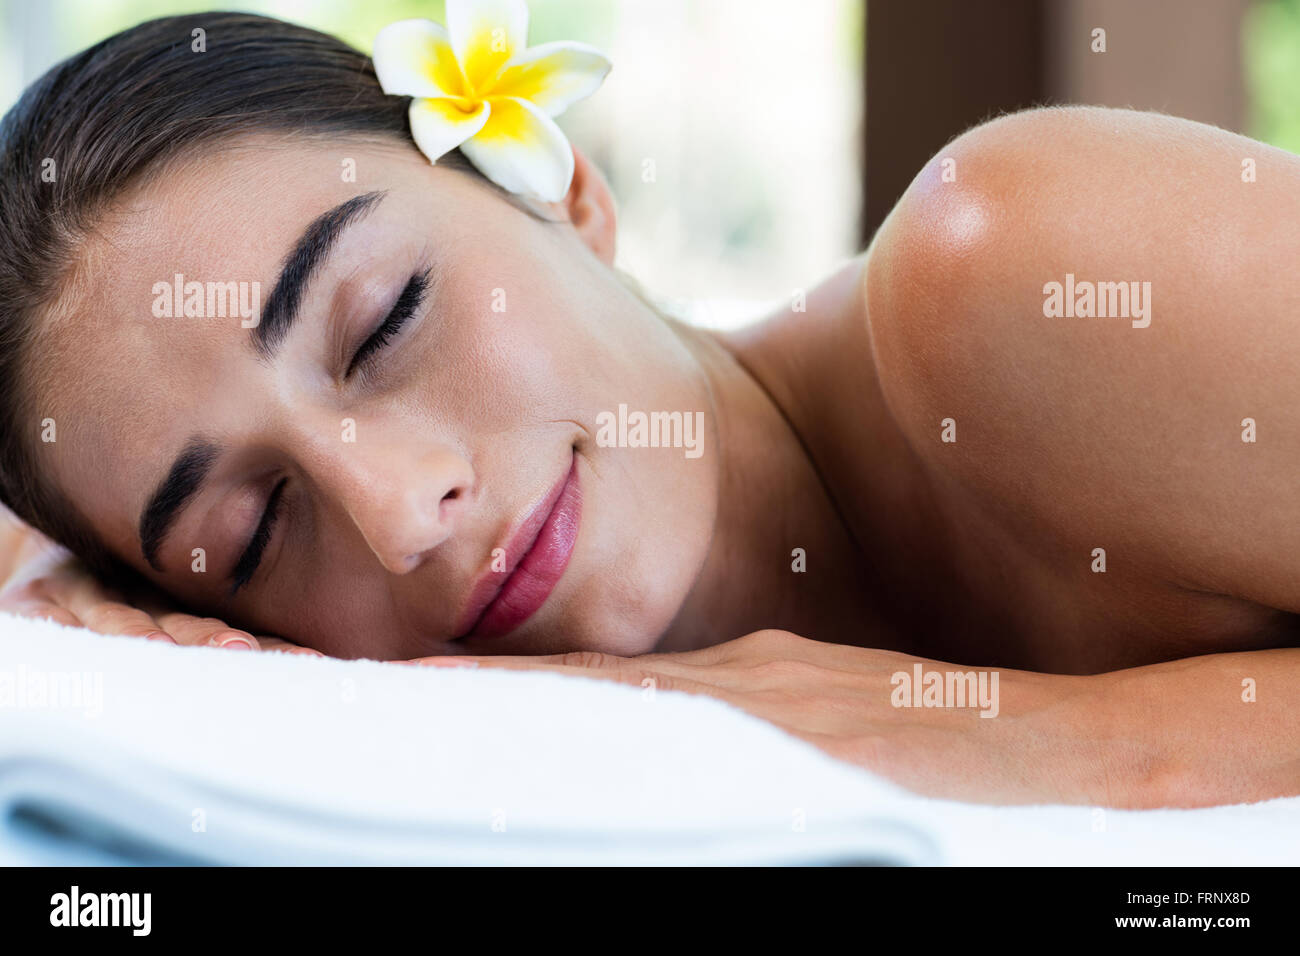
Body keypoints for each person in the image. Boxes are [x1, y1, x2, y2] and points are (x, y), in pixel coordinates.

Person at [1, 12, 1296, 808]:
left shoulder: (1016, 270)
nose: (402, 512)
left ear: (565, 191)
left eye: (389, 319)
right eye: (254, 531)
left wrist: (1078, 748)